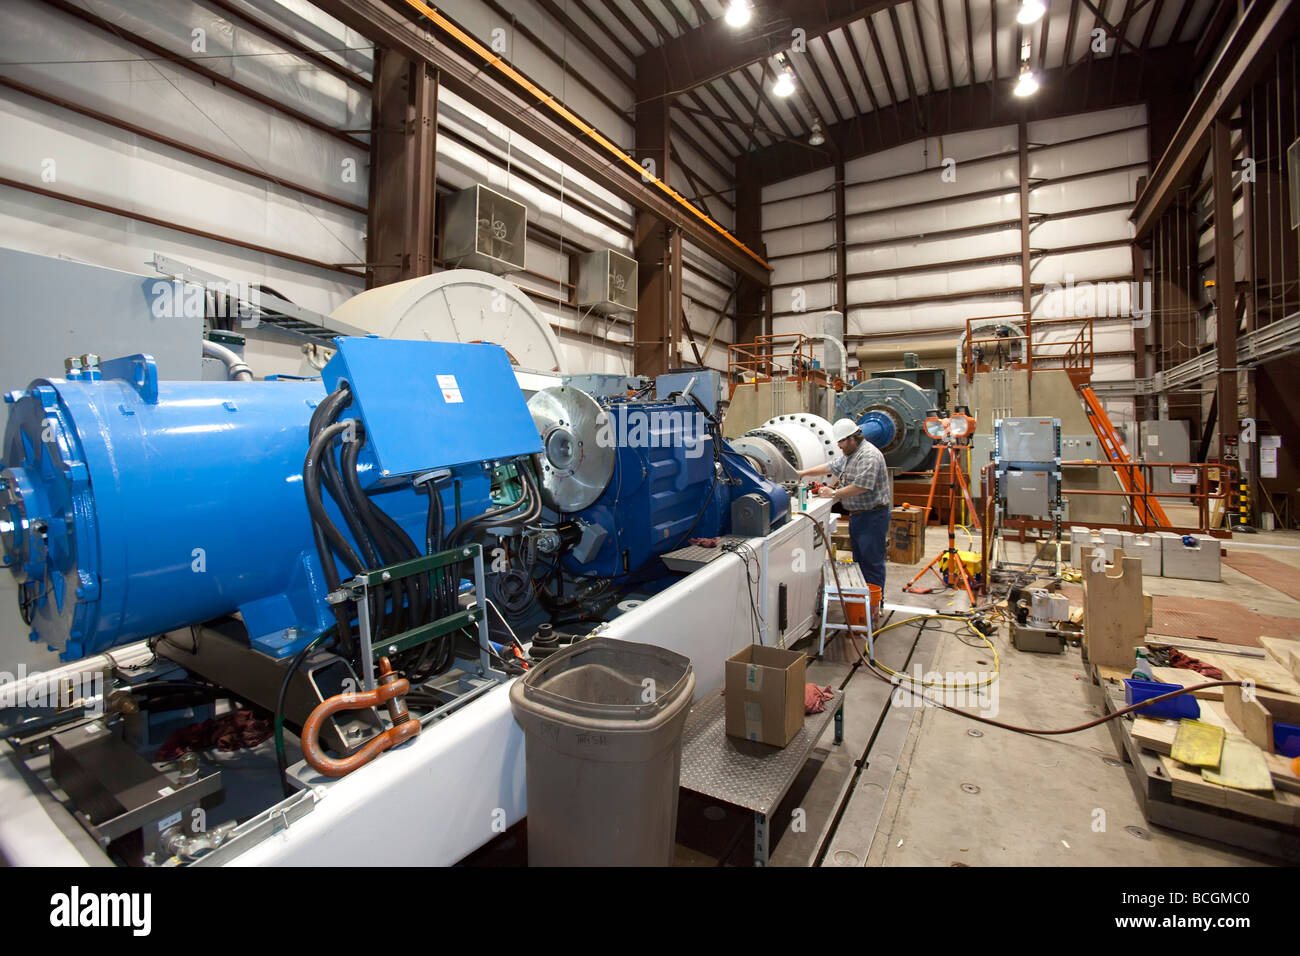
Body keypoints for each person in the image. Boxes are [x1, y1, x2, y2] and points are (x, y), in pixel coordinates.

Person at [796, 418, 892, 590]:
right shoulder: (851, 455)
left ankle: (875, 606)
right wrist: (803, 473)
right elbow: (830, 466)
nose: (838, 446)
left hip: (872, 517)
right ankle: (862, 602)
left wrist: (833, 493)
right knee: (860, 560)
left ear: (852, 438)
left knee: (871, 562)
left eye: (841, 441)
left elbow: (862, 486)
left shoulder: (869, 456)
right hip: (858, 516)